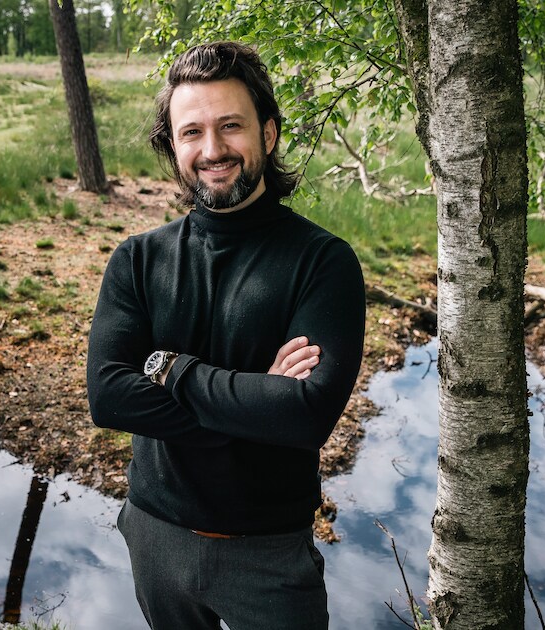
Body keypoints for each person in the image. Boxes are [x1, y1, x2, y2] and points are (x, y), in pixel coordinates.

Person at [86, 41, 365, 630]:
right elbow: (108, 397)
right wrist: (254, 402)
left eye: (230, 126)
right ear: (173, 146)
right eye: (192, 132)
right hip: (155, 534)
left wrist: (170, 368)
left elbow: (305, 416)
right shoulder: (138, 260)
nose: (212, 150)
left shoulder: (322, 262)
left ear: (268, 133)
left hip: (268, 555)